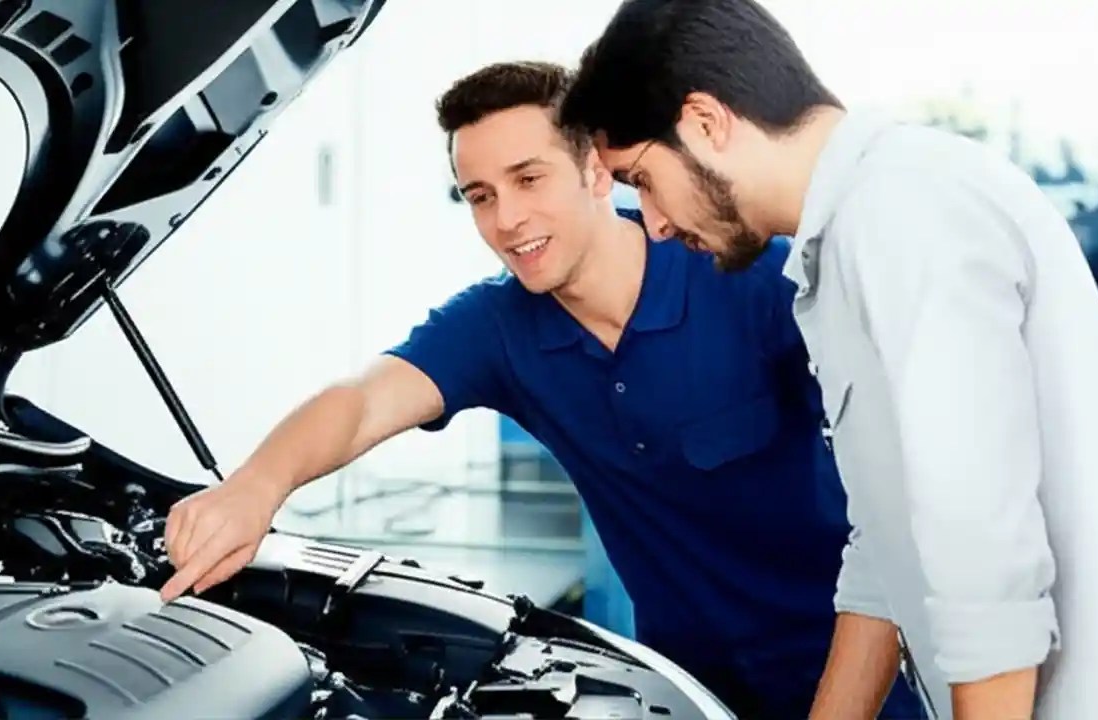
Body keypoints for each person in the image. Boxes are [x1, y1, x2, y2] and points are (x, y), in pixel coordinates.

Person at [158, 60, 922, 719]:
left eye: (528, 179)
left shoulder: (753, 277)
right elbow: (362, 401)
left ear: (597, 167)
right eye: (480, 195)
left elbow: (893, 519)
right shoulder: (498, 325)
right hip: (674, 689)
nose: (507, 219)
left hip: (851, 681)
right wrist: (256, 487)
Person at [557, 1, 1098, 718]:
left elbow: (983, 567)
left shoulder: (905, 208)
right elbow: (886, 544)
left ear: (706, 123)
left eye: (641, 180)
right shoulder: (839, 248)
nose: (653, 221)